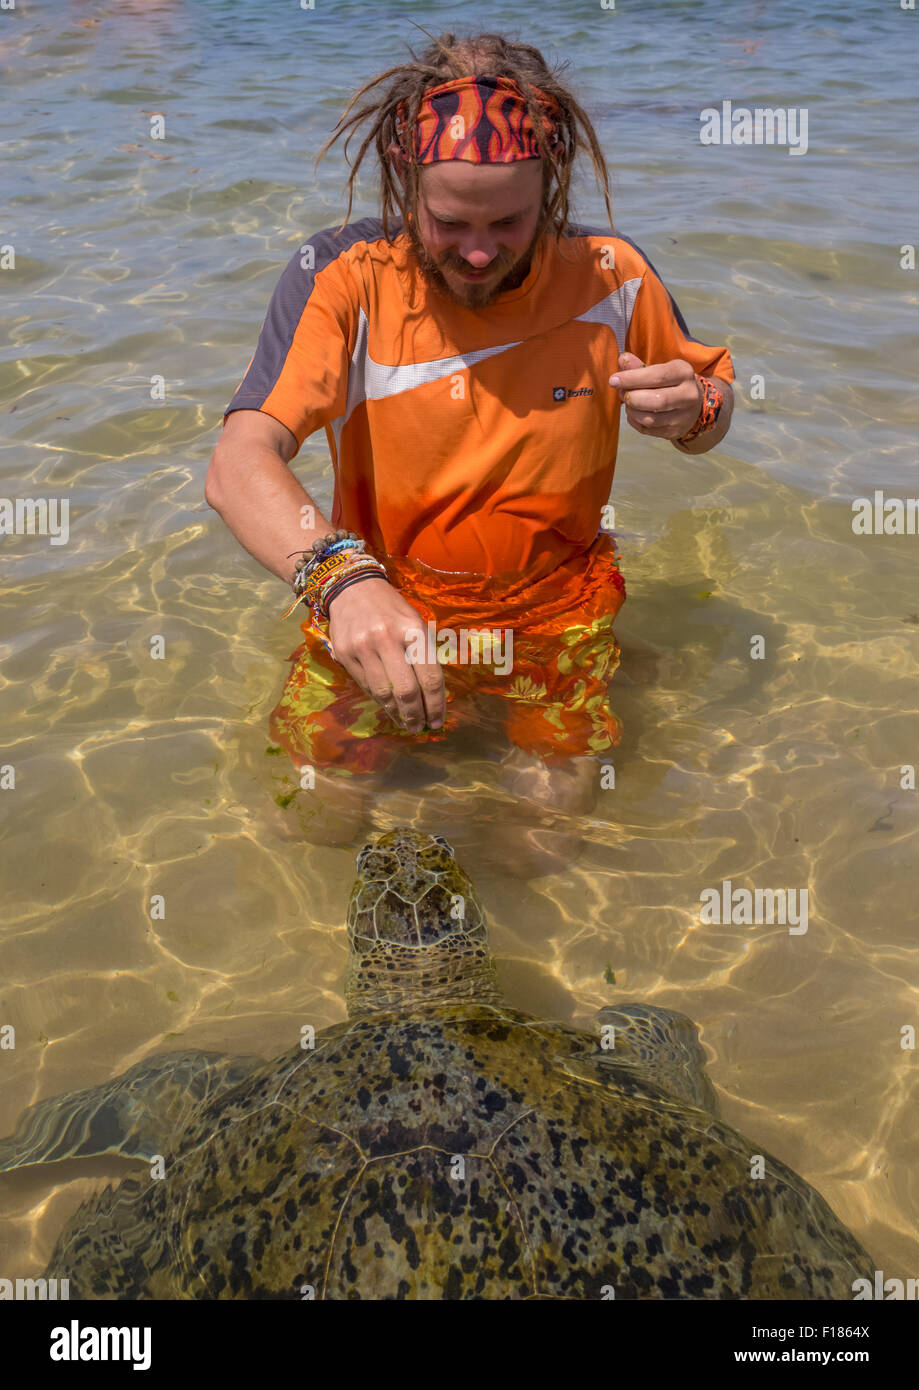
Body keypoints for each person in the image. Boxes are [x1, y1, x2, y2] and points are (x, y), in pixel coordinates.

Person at [205, 31, 735, 872]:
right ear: (400, 177)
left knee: (536, 852)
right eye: (448, 221)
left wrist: (692, 410)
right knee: (312, 825)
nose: (480, 251)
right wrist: (344, 583)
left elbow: (711, 410)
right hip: (382, 606)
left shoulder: (612, 275)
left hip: (555, 609)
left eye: (509, 221)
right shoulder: (344, 276)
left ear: (551, 179)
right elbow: (240, 462)